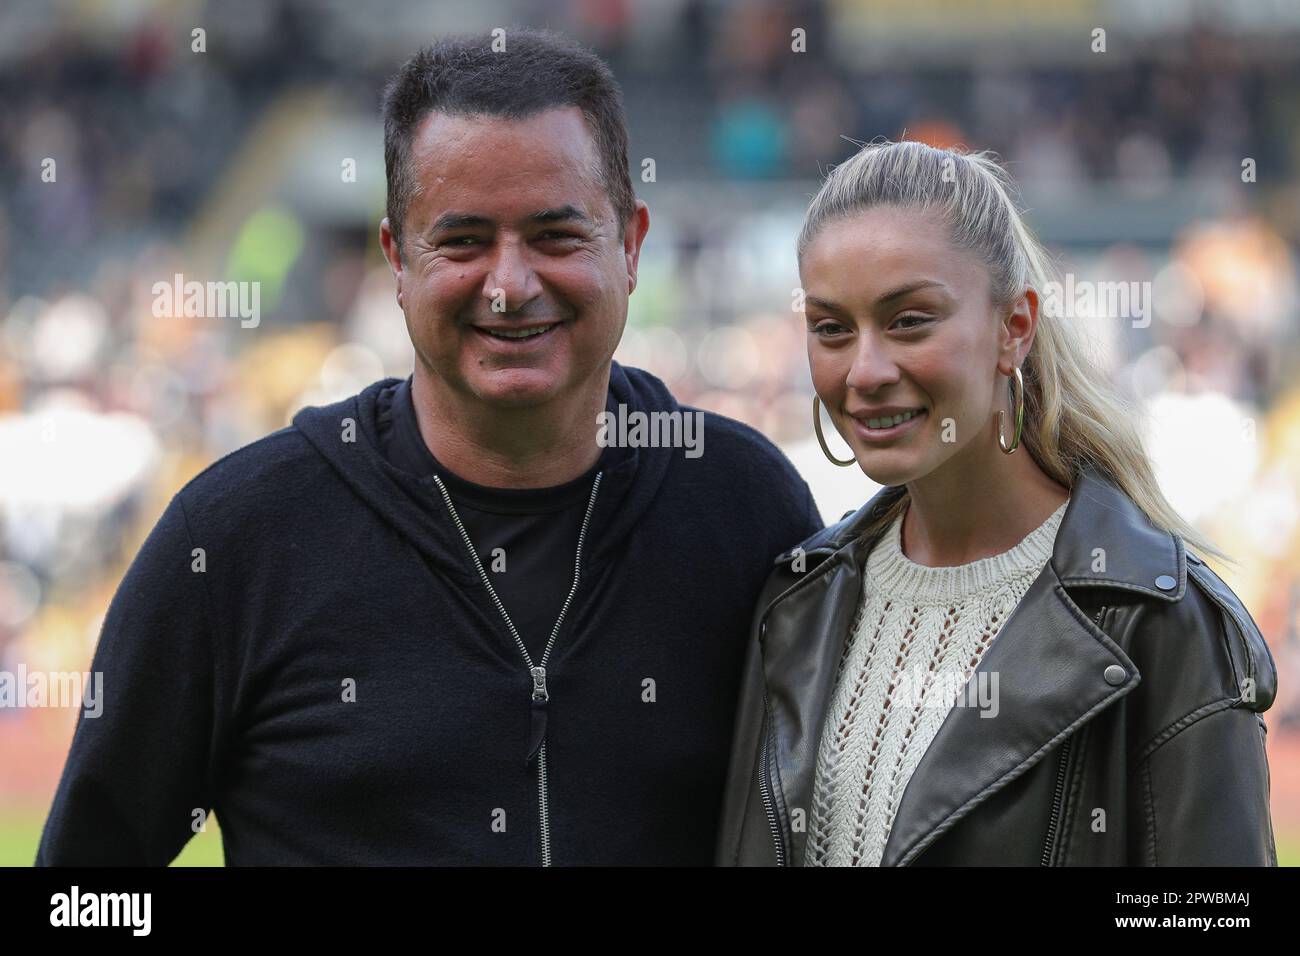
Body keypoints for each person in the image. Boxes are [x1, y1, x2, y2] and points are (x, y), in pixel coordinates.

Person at [36, 29, 822, 866]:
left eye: (555, 237)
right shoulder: (233, 540)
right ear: (396, 260)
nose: (511, 286)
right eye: (463, 241)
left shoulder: (744, 505)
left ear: (630, 245)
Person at [716, 139, 1278, 866]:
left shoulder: (1162, 621)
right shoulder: (796, 604)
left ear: (1013, 328)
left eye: (909, 320)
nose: (865, 370)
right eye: (830, 329)